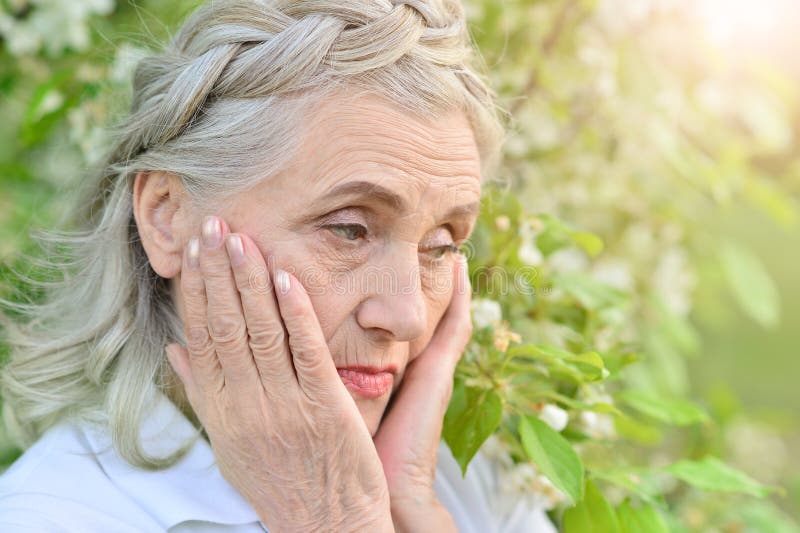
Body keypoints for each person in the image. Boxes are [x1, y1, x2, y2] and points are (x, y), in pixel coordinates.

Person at [0, 0, 556, 531]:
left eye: (440, 244)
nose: (407, 316)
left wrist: (403, 501)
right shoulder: (50, 517)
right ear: (167, 217)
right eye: (349, 229)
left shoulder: (475, 484)